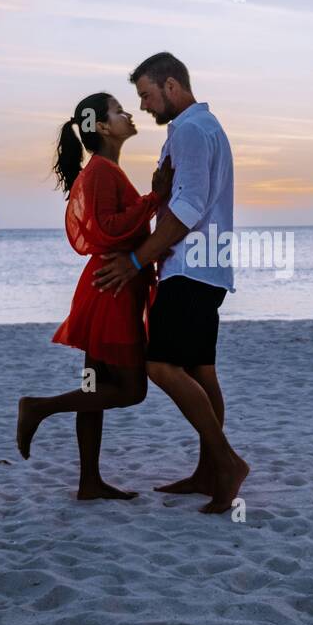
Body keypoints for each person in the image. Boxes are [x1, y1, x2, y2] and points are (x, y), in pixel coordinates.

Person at [94, 52, 249, 514]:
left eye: (145, 94)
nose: (143, 106)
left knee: (160, 365)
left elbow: (190, 207)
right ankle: (207, 470)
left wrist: (136, 262)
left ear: (171, 86)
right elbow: (180, 200)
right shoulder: (206, 128)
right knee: (200, 369)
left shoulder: (190, 132)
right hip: (208, 266)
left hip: (191, 268)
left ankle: (225, 462)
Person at [15, 92, 174, 500]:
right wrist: (154, 198)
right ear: (103, 127)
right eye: (119, 111)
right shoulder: (103, 170)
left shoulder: (106, 169)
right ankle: (38, 407)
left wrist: (149, 202)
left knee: (92, 391)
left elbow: (111, 225)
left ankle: (89, 481)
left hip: (107, 288)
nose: (128, 114)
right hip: (112, 295)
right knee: (131, 389)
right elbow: (105, 229)